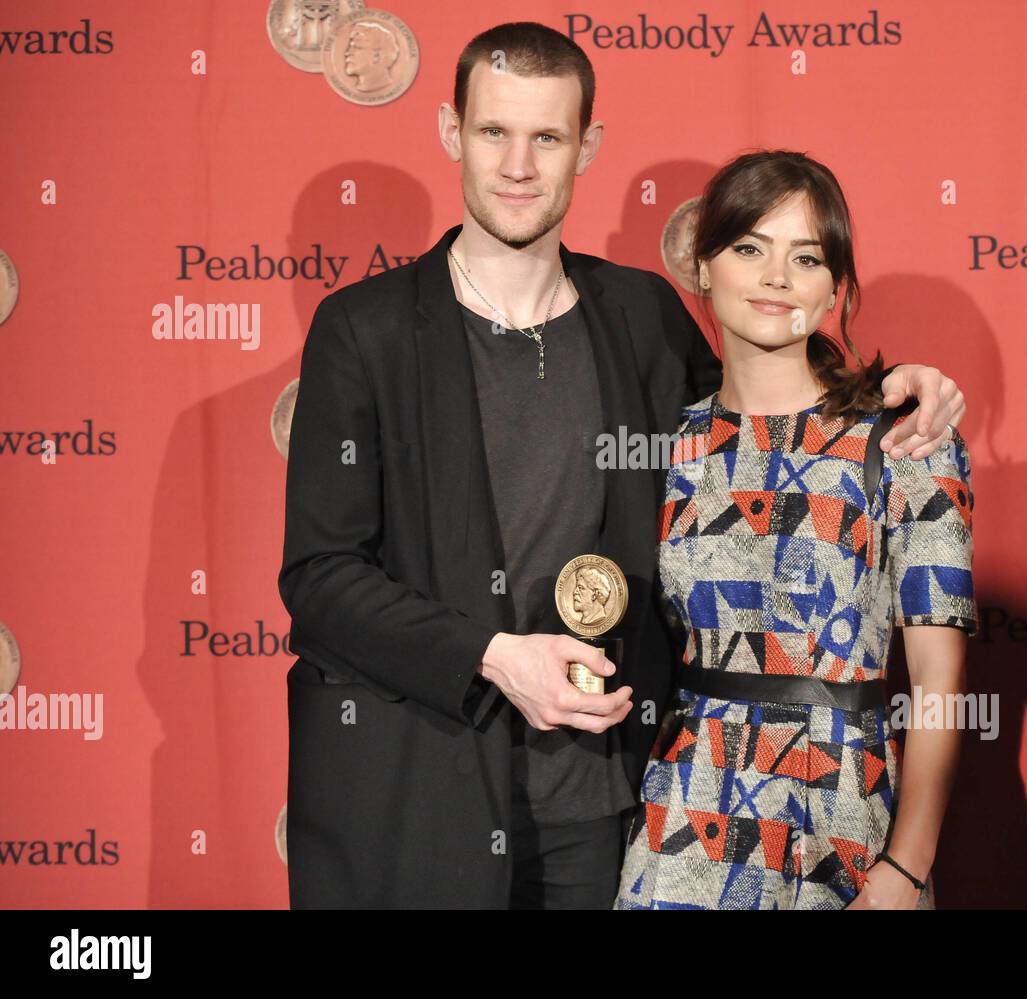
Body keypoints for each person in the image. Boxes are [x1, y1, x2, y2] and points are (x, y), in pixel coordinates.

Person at [278, 21, 968, 909]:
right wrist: (491, 655)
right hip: (425, 789)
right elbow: (320, 575)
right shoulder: (362, 329)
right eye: (494, 132)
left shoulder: (639, 317)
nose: (519, 165)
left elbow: (765, 406)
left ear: (587, 148)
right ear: (453, 133)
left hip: (612, 811)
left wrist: (892, 386)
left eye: (548, 137)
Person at [615, 150, 977, 909]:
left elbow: (939, 684)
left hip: (847, 817)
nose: (777, 278)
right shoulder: (665, 445)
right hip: (686, 816)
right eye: (750, 248)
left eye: (805, 257)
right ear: (704, 268)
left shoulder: (906, 443)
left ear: (836, 287)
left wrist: (908, 864)